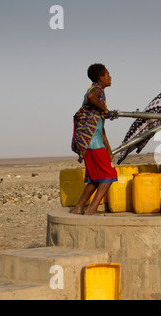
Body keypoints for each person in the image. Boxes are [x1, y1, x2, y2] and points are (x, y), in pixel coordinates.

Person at [70, 63, 118, 215]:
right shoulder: (96, 91)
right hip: (92, 142)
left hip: (90, 140)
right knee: (110, 174)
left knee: (95, 178)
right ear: (101, 78)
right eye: (108, 74)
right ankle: (92, 209)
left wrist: (109, 149)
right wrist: (105, 109)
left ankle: (79, 208)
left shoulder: (97, 92)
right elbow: (91, 98)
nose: (110, 77)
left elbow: (100, 127)